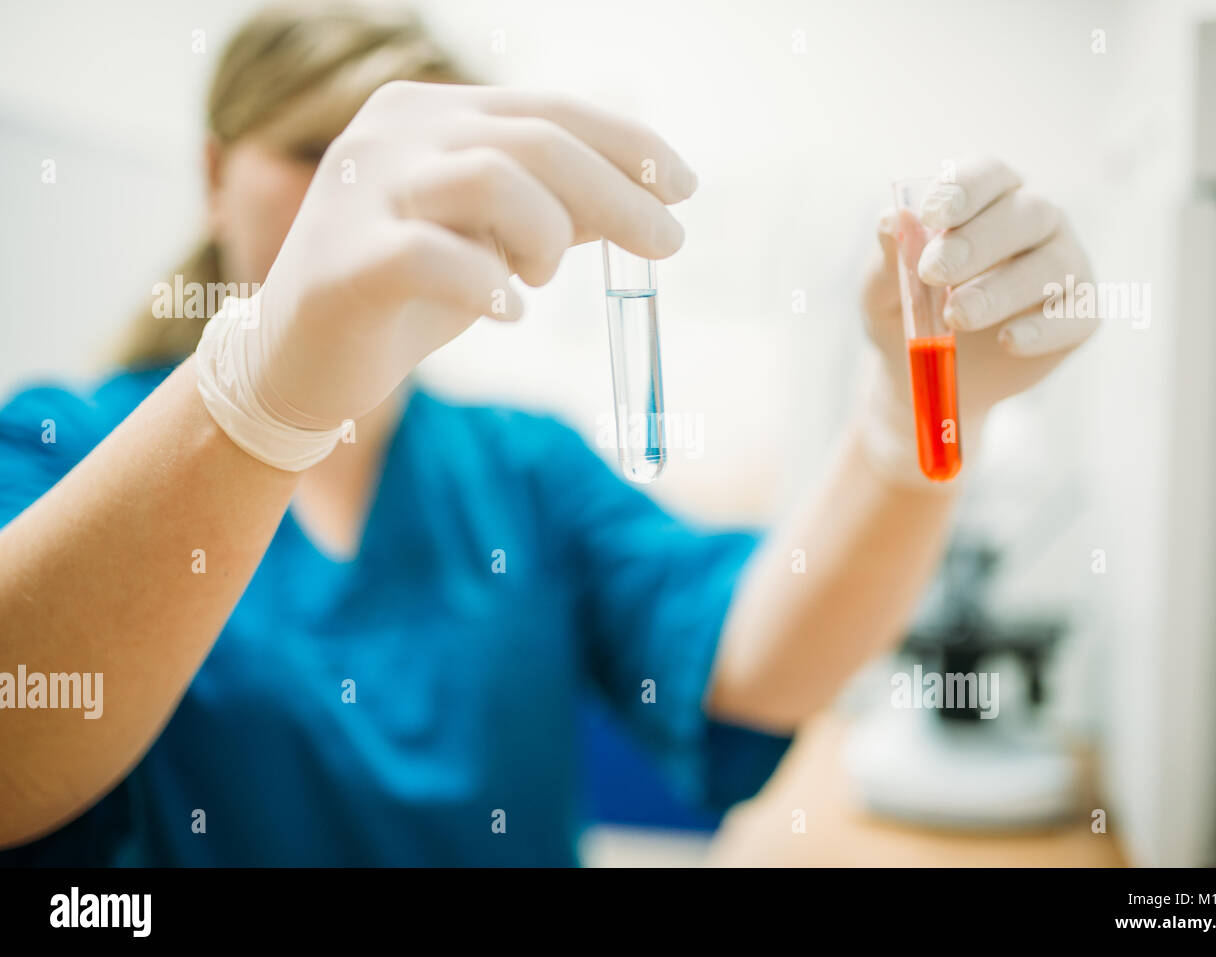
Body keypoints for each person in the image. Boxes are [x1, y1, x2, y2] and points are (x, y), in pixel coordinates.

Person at [0, 1, 1097, 865]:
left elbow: (759, 659)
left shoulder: (518, 470)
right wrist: (252, 400)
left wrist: (905, 429)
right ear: (210, 175)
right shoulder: (63, 448)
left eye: (387, 166)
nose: (358, 200)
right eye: (311, 154)